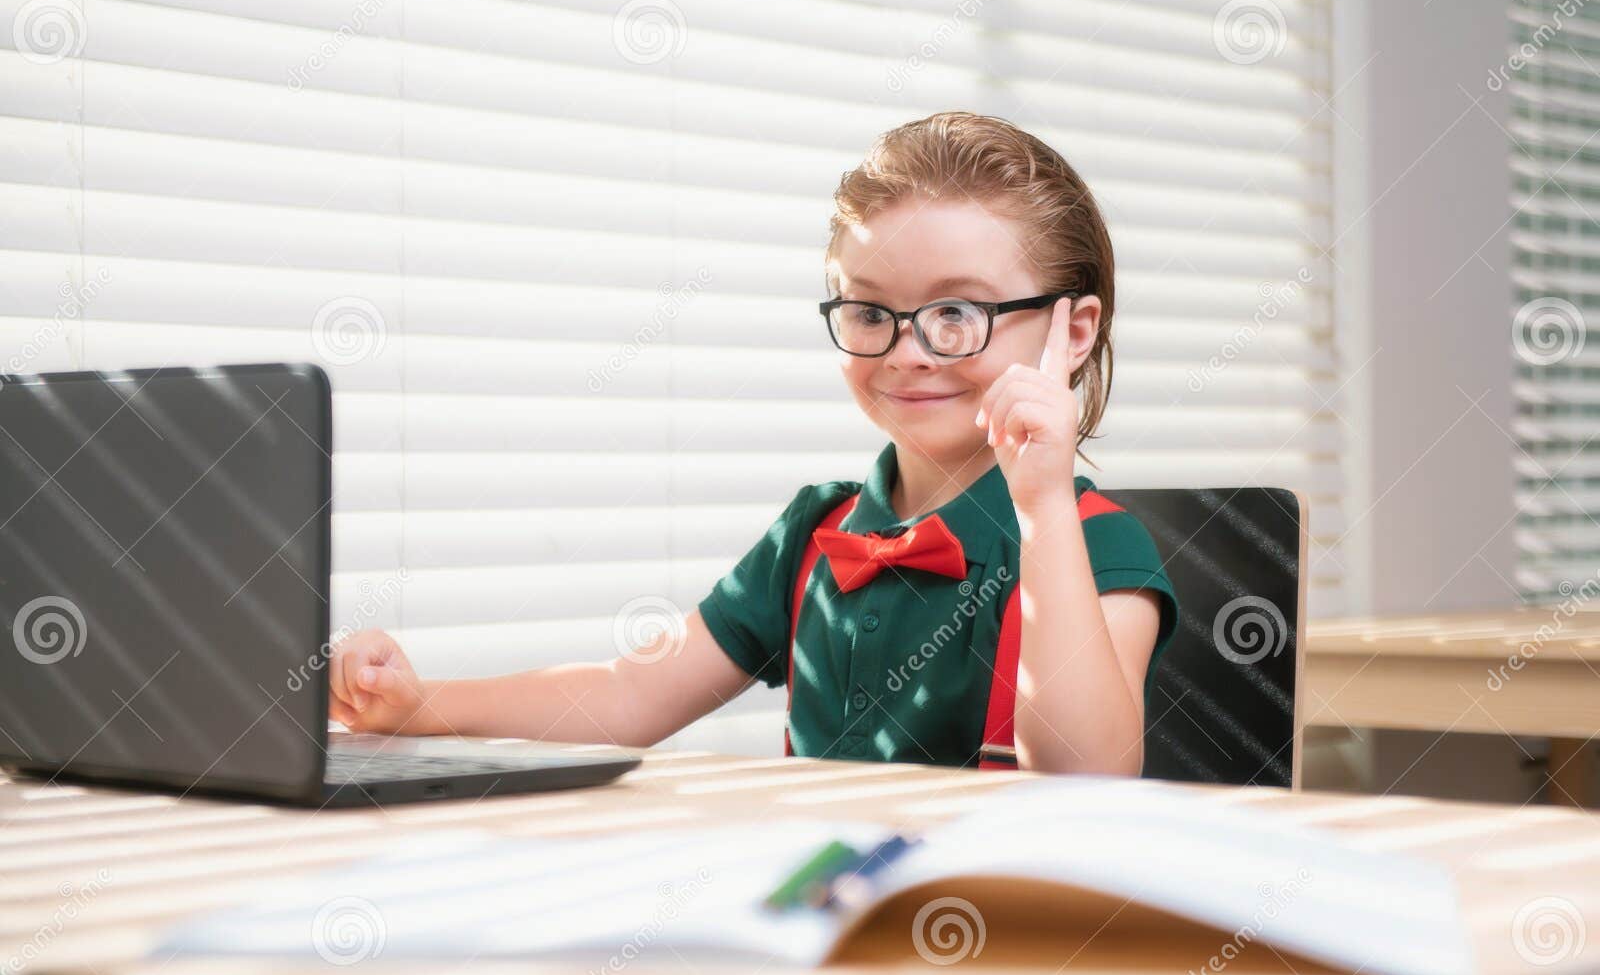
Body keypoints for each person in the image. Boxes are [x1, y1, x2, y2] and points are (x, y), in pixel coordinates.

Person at [328, 111, 1179, 775]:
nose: (906, 350)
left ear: (1072, 333)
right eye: (871, 311)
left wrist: (1040, 510)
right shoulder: (814, 530)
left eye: (957, 312)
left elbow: (1081, 778)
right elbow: (628, 696)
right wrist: (418, 706)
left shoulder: (1098, 544)